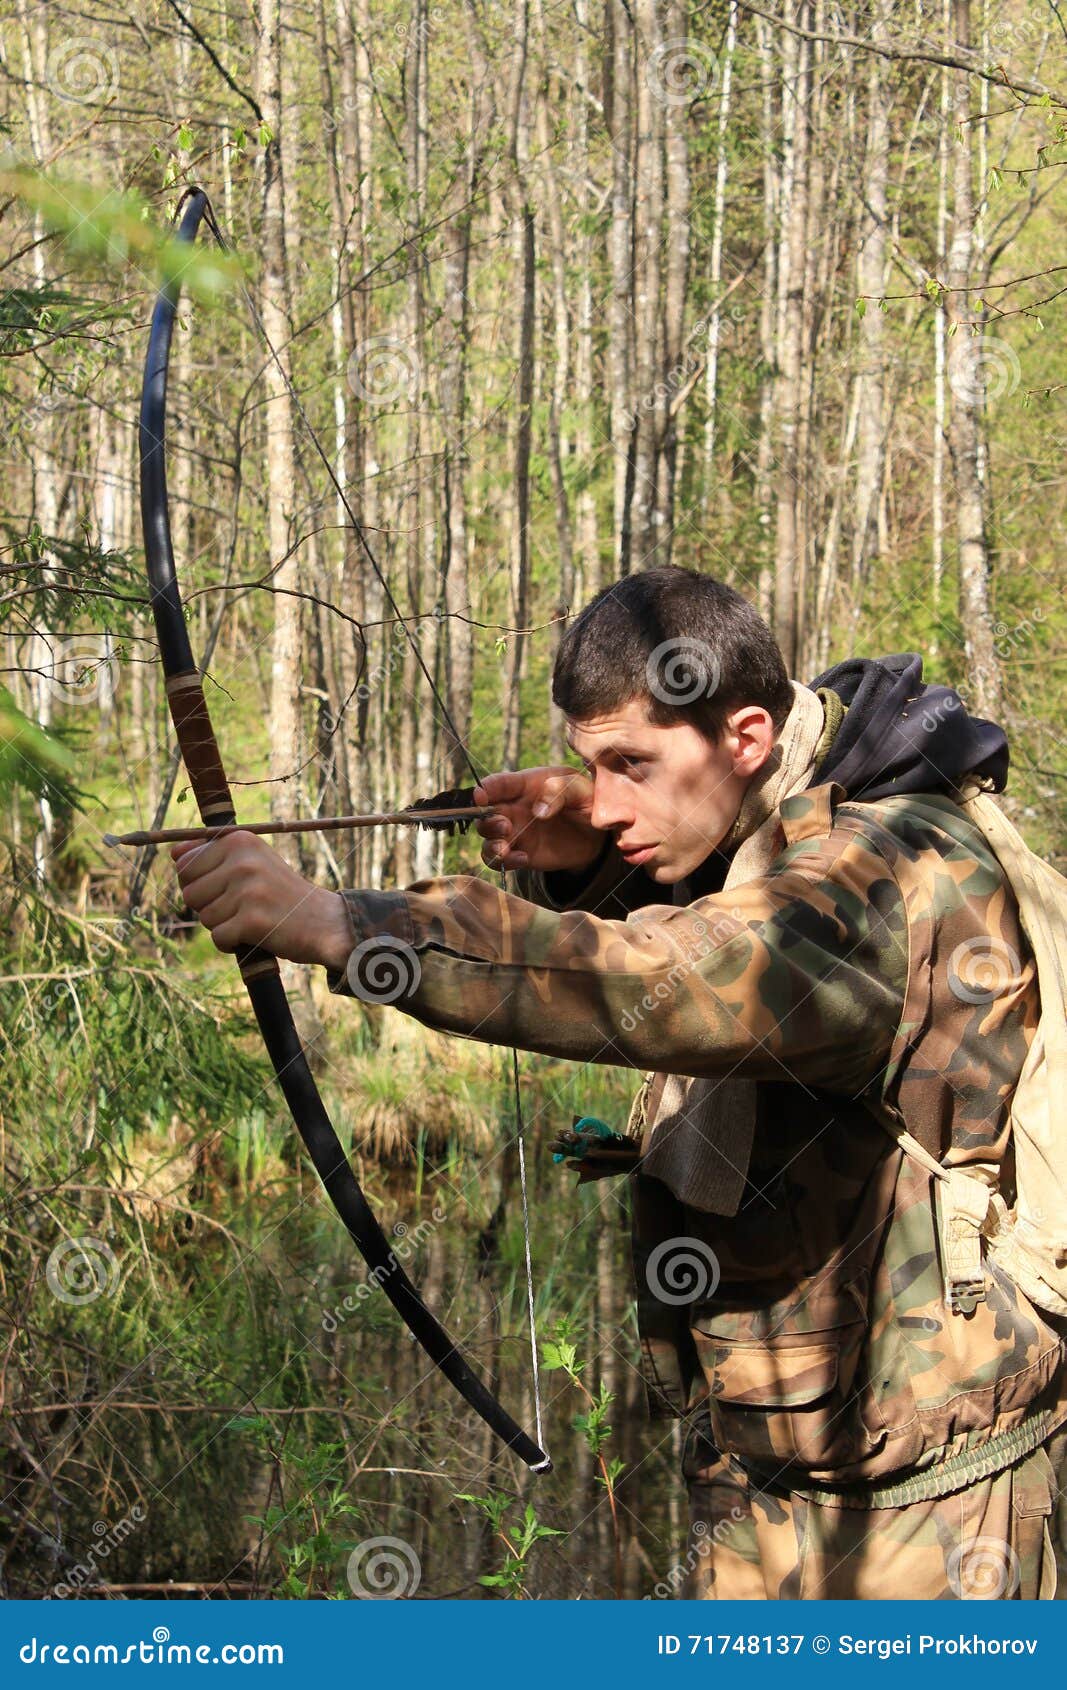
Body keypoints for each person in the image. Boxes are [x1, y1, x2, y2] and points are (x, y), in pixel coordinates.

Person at [172, 566, 1065, 1600]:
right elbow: (737, 881)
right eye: (590, 766)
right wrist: (584, 861)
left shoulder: (895, 870)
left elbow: (690, 972)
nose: (599, 799)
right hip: (779, 1477)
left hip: (926, 1517)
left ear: (743, 737)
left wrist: (347, 927)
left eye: (629, 764)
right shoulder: (811, 787)